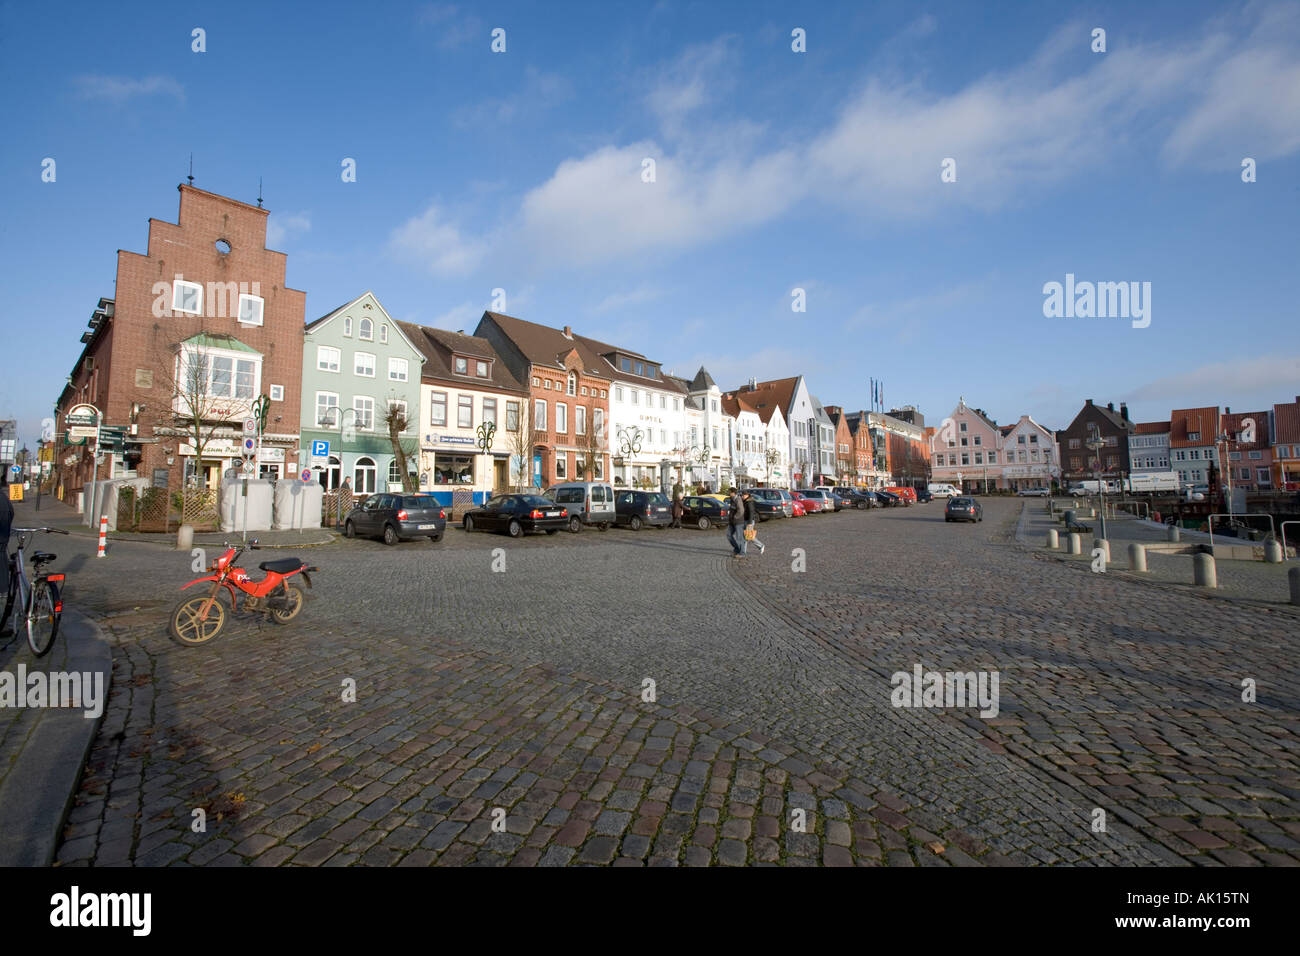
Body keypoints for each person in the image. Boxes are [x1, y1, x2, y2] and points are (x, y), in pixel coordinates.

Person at [742, 489, 764, 555]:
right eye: (742, 495)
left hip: (749, 521)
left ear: (747, 495)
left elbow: (751, 512)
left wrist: (749, 523)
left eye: (743, 495)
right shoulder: (746, 501)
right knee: (745, 536)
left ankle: (761, 545)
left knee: (749, 536)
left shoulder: (749, 502)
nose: (742, 496)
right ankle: (743, 551)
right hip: (746, 520)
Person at [726, 486, 745, 558]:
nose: (728, 493)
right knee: (728, 535)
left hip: (738, 522)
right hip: (732, 522)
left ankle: (742, 553)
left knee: (739, 538)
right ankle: (736, 549)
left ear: (733, 493)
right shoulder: (732, 499)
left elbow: (741, 511)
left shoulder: (738, 499)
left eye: (729, 492)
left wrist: (735, 517)